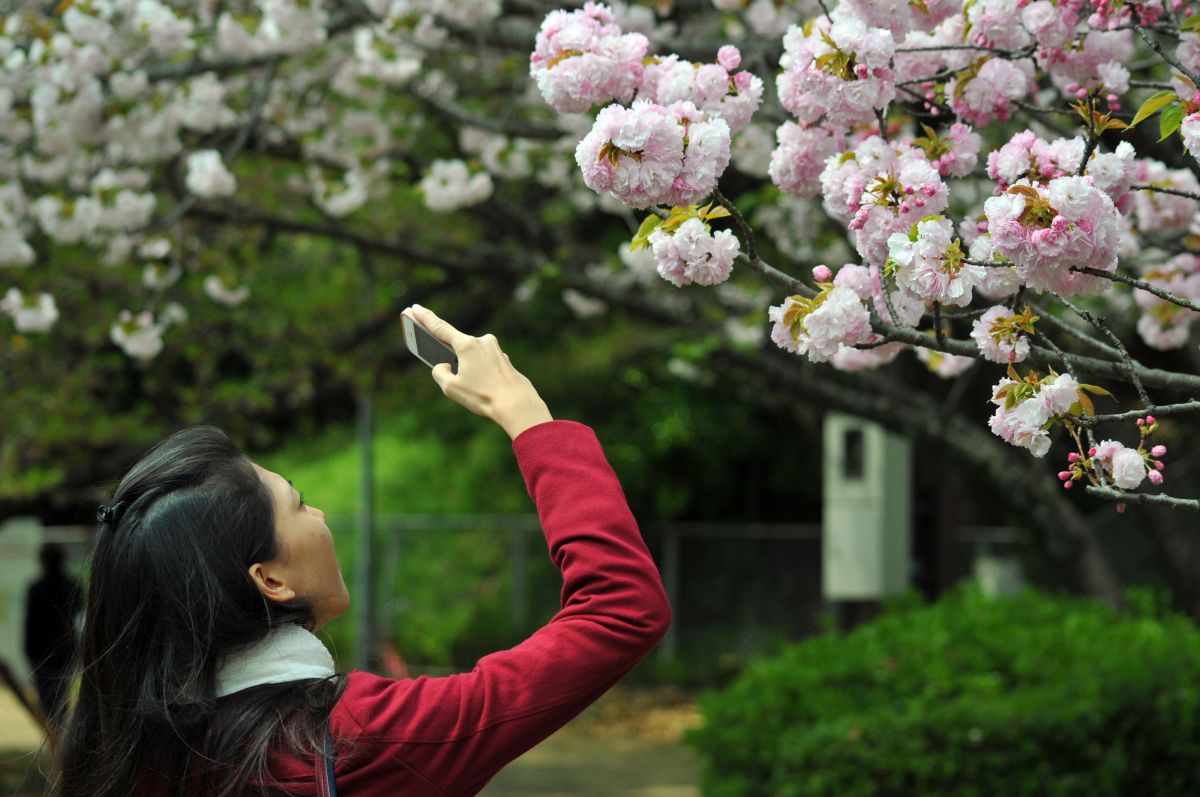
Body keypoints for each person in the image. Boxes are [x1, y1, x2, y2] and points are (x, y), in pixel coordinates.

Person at [53, 305, 671, 797]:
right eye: (298, 505)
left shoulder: (129, 755)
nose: (320, 515)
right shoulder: (364, 737)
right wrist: (529, 419)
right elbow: (621, 609)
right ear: (269, 580)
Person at [24, 541, 81, 726]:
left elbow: (30, 624)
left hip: (41, 650)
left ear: (43, 560)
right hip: (66, 648)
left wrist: (29, 652)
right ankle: (61, 732)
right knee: (62, 694)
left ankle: (55, 734)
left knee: (47, 698)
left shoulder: (37, 588)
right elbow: (78, 613)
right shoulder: (73, 586)